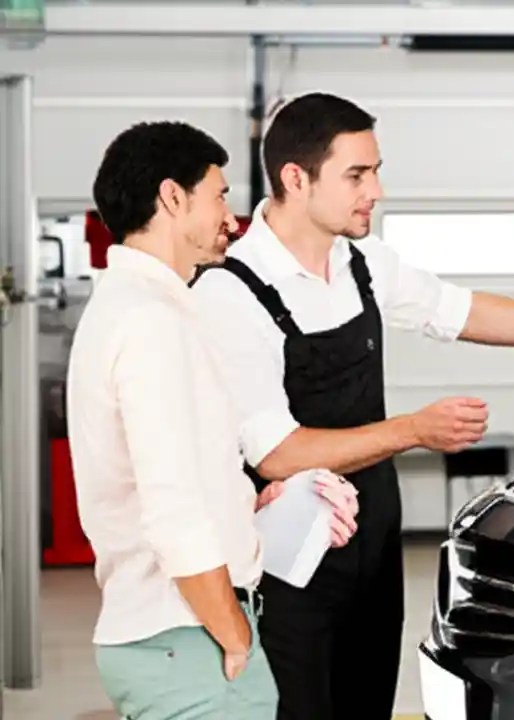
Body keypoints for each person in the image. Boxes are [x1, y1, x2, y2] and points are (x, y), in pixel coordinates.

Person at [189, 91, 514, 719]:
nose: (376, 190)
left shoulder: (362, 263)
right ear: (296, 178)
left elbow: (466, 311)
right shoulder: (232, 291)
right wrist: (413, 430)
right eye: (356, 175)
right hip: (288, 562)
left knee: (367, 702)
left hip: (373, 540)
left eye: (375, 170)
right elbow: (277, 452)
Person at [66, 120, 358, 719]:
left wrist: (245, 508)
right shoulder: (153, 321)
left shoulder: (133, 307)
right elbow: (171, 508)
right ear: (174, 197)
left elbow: (165, 474)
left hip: (169, 636)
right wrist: (234, 635)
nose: (232, 217)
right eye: (219, 195)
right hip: (188, 639)